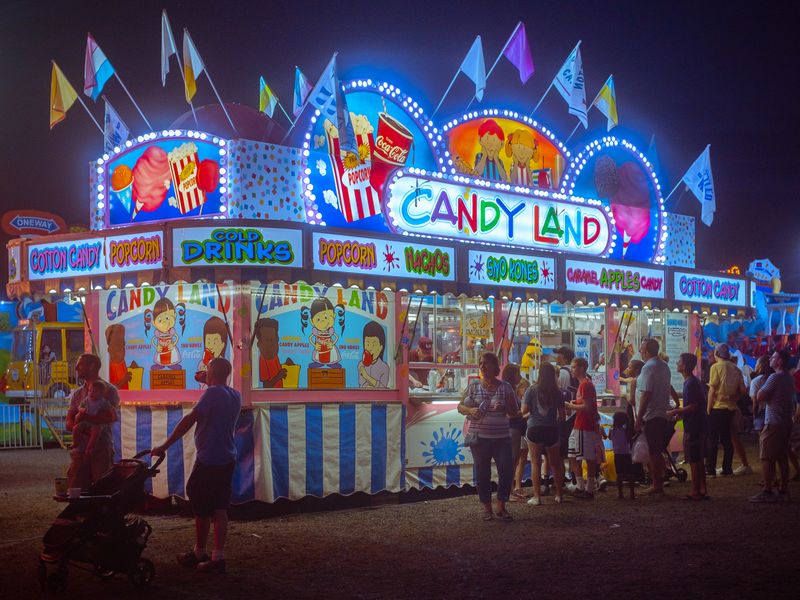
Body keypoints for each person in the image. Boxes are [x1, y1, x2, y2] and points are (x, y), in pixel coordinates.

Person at [151, 358, 242, 572]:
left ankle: (199, 551)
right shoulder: (235, 395)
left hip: (209, 458)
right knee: (220, 507)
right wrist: (208, 380)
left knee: (200, 503)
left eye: (207, 369)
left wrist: (165, 445)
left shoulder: (211, 394)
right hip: (227, 457)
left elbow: (190, 420)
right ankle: (217, 557)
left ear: (212, 372)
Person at [457, 352, 519, 521]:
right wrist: (470, 410)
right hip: (480, 438)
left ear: (495, 366)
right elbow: (460, 406)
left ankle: (501, 506)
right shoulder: (473, 387)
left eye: (486, 363)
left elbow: (514, 412)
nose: (483, 367)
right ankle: (487, 508)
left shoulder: (506, 387)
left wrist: (504, 407)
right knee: (482, 473)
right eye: (481, 363)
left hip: (501, 437)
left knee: (506, 471)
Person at [65, 354, 119, 490]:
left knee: (102, 489)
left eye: (80, 364)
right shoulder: (77, 394)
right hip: (80, 452)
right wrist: (81, 425)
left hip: (101, 449)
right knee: (76, 488)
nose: (76, 367)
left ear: (92, 366)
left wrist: (82, 420)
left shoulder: (110, 391)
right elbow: (68, 422)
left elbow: (109, 417)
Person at [750, 350, 794, 503]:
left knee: (767, 456)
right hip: (785, 421)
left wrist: (762, 392)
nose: (770, 359)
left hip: (774, 422)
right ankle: (783, 489)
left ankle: (767, 490)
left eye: (774, 357)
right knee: (782, 457)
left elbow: (760, 396)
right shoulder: (789, 378)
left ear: (780, 361)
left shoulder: (775, 377)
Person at [522, 362, 566, 505]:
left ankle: (537, 497)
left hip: (534, 429)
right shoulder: (557, 392)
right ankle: (559, 495)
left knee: (536, 462)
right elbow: (562, 415)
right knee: (556, 464)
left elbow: (524, 410)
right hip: (551, 429)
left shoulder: (531, 390)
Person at [667, 353, 709, 500]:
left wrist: (676, 411)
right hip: (698, 424)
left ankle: (695, 491)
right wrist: (681, 414)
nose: (677, 363)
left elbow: (694, 406)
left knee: (694, 460)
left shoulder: (690, 383)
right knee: (698, 460)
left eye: (679, 361)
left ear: (684, 366)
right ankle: (702, 489)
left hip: (694, 427)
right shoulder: (692, 382)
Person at [635, 338, 672, 495]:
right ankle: (659, 480)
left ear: (647, 351)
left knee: (654, 451)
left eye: (642, 350)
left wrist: (639, 417)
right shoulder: (664, 366)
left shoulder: (648, 368)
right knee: (657, 449)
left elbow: (646, 394)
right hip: (662, 413)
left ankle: (657, 484)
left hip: (652, 414)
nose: (641, 352)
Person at [706, 343, 746, 477]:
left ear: (717, 354)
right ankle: (727, 468)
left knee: (712, 439)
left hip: (717, 408)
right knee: (727, 439)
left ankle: (710, 469)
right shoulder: (736, 369)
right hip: (730, 409)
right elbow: (743, 390)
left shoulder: (715, 367)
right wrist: (732, 398)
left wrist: (708, 408)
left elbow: (712, 390)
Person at [565, 357, 600, 499]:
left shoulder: (586, 385)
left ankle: (589, 488)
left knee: (588, 457)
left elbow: (587, 407)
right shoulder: (583, 385)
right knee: (573, 455)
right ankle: (580, 485)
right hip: (580, 425)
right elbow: (586, 403)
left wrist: (571, 405)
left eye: (573, 367)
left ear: (580, 368)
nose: (571, 370)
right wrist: (575, 402)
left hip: (585, 425)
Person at [501, 363, 529, 501]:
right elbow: (508, 414)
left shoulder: (511, 389)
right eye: (518, 374)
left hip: (515, 427)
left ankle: (510, 490)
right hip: (512, 427)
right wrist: (524, 414)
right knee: (512, 460)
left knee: (514, 459)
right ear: (513, 376)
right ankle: (508, 491)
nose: (520, 377)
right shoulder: (508, 390)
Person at [71, 380, 113, 459]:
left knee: (95, 432)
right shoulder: (87, 400)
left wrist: (113, 415)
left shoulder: (103, 402)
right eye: (90, 391)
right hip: (86, 421)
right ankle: (75, 442)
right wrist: (81, 410)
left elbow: (110, 409)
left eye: (94, 392)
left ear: (101, 394)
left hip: (96, 424)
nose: (91, 393)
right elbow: (80, 407)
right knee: (76, 428)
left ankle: (89, 447)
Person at [609, 411, 635, 500]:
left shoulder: (611, 430)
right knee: (630, 474)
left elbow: (610, 438)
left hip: (617, 455)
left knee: (619, 475)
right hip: (627, 454)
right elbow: (629, 441)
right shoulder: (626, 431)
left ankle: (620, 494)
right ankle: (632, 494)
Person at [358, 321, 389, 389]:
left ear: (381, 347)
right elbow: (362, 385)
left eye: (374, 344)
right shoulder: (361, 365)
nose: (370, 348)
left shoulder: (384, 367)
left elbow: (383, 388)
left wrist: (366, 376)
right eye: (367, 344)